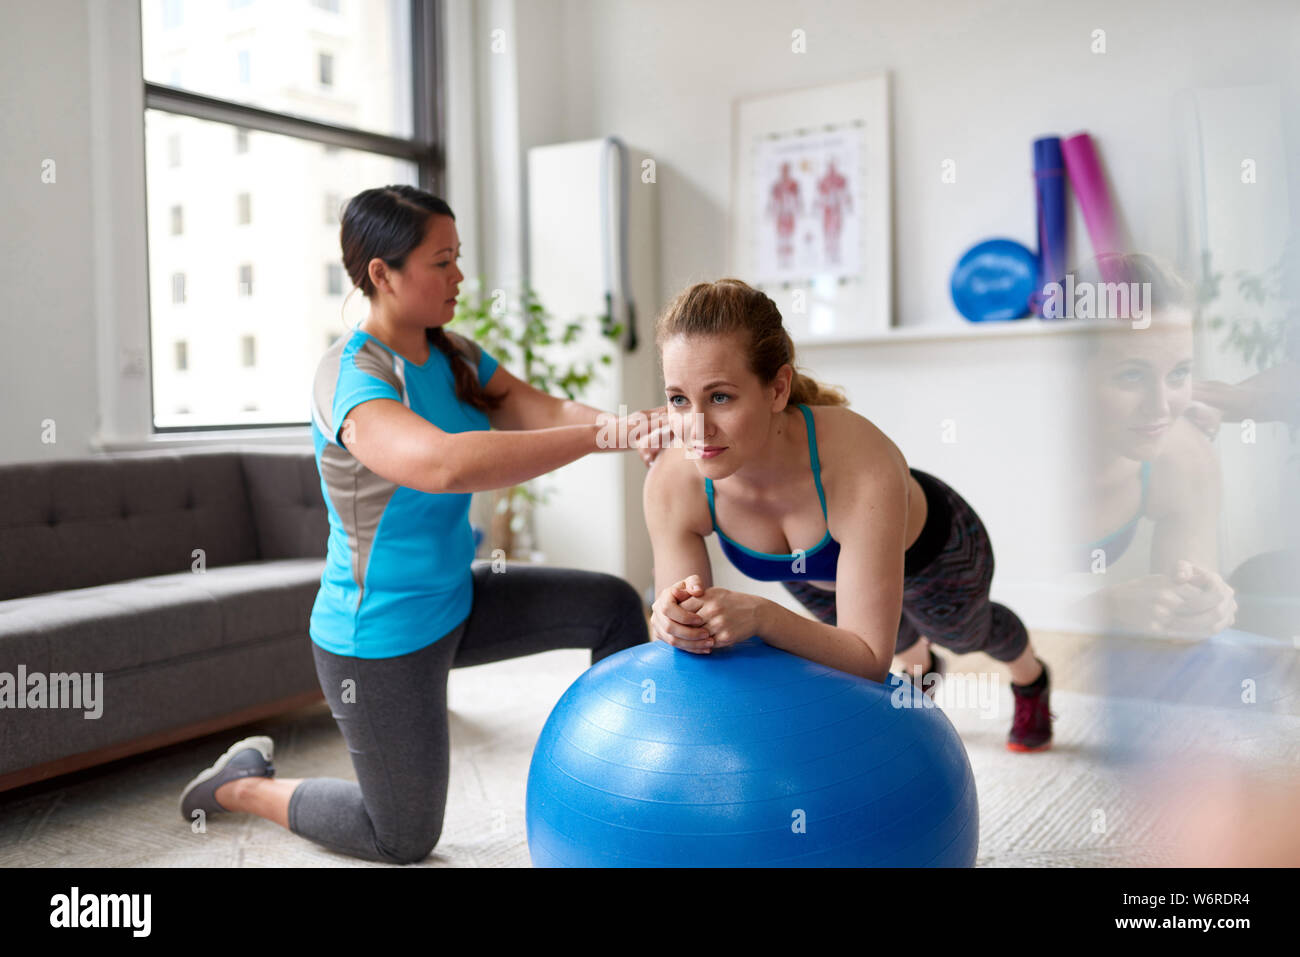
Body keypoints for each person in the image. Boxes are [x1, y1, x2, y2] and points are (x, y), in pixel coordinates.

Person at [179, 185, 659, 864]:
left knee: (612, 605)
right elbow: (441, 463)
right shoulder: (350, 376)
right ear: (382, 273)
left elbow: (540, 410)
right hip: (379, 634)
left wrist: (630, 425)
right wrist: (598, 440)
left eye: (457, 258)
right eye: (442, 262)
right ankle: (244, 785)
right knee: (402, 834)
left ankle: (624, 783)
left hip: (455, 599)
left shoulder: (453, 353)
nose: (460, 276)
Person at [641, 278, 1054, 752]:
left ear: (777, 389)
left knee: (963, 634)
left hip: (932, 551)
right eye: (678, 399)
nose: (695, 428)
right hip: (813, 575)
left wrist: (761, 614)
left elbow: (866, 659)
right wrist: (672, 621)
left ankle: (1032, 679)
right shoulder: (672, 482)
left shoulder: (861, 463)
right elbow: (688, 636)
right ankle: (923, 667)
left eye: (720, 397)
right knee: (895, 638)